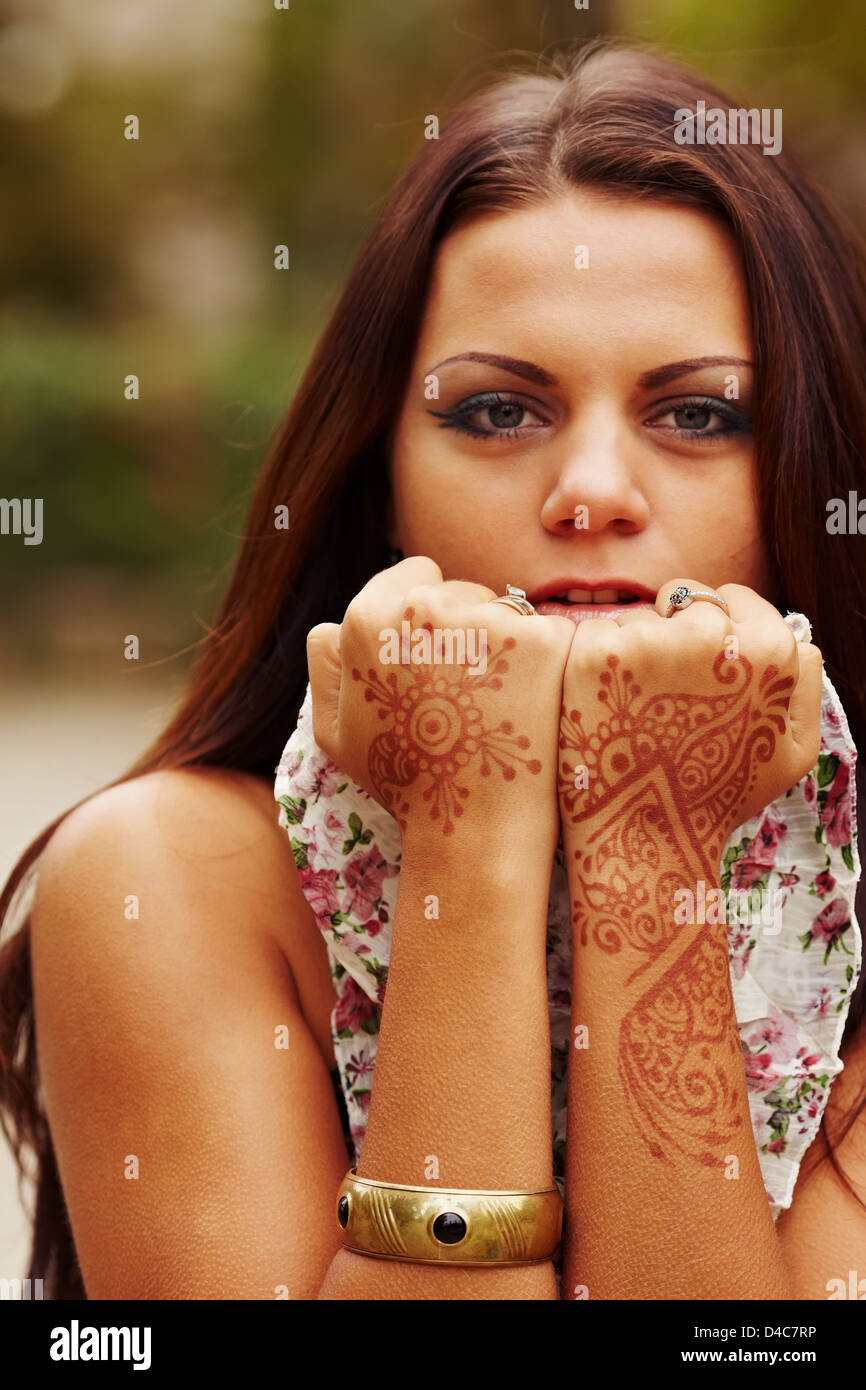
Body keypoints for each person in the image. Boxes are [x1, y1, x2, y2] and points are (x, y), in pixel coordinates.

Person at [1, 37, 864, 1301]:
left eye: (698, 414)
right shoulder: (170, 875)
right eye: (497, 411)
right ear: (383, 475)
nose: (588, 494)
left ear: (806, 468)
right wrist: (470, 834)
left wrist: (647, 843)